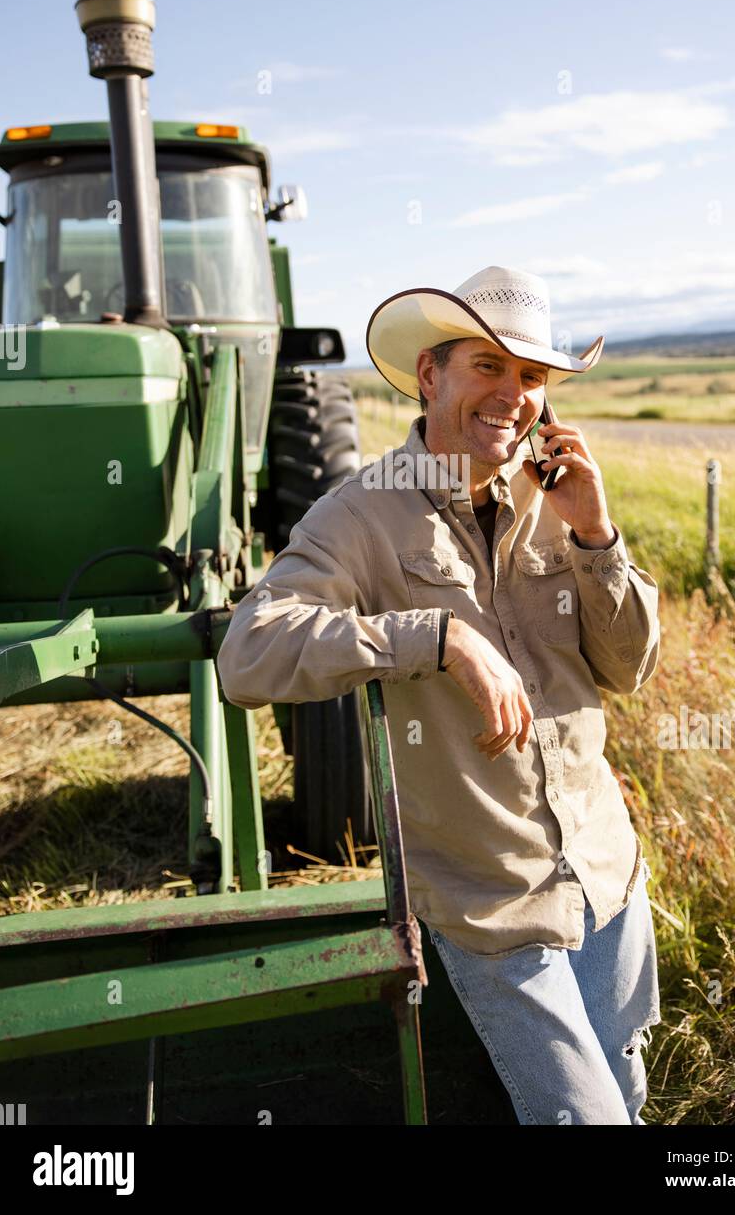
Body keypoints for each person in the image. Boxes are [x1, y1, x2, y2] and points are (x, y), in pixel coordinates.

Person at [217, 264, 662, 1125]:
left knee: (631, 1095)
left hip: (607, 876)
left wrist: (597, 534)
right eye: (486, 368)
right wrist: (435, 636)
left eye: (530, 377)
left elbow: (631, 667)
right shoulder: (359, 515)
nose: (513, 396)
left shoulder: (557, 499)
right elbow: (249, 651)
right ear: (430, 376)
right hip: (490, 902)